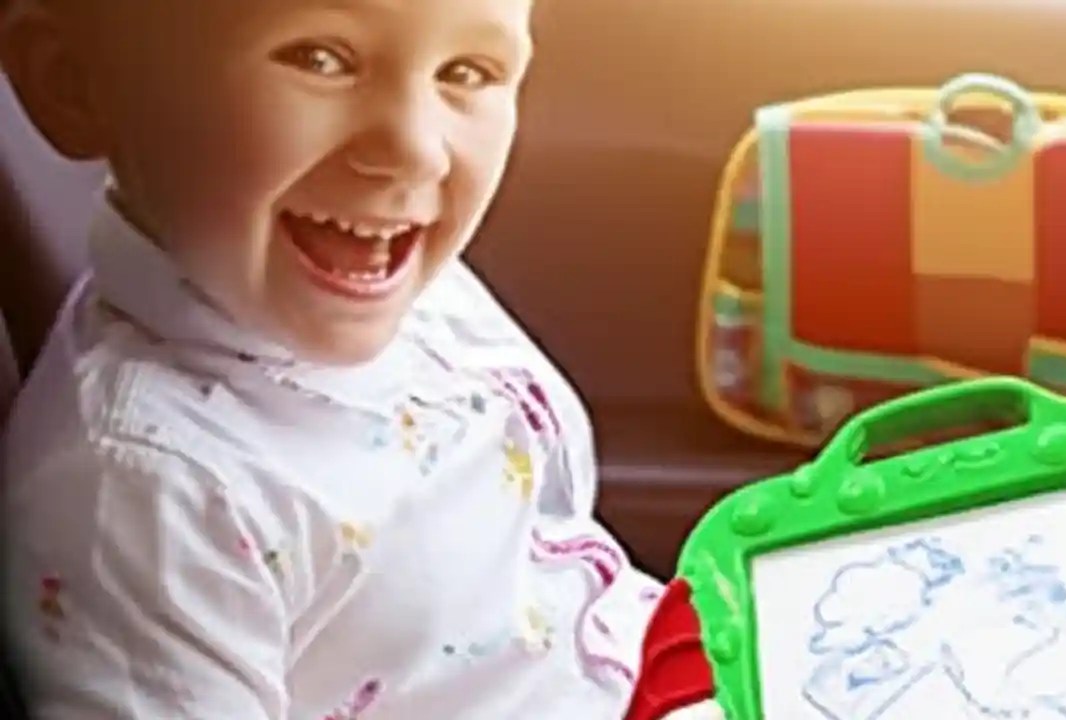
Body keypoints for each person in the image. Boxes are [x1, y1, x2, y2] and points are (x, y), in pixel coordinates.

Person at [0, 0, 720, 716]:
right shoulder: (149, 498)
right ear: (73, 84)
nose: (416, 148)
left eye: (467, 72)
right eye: (321, 59)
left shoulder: (391, 283)